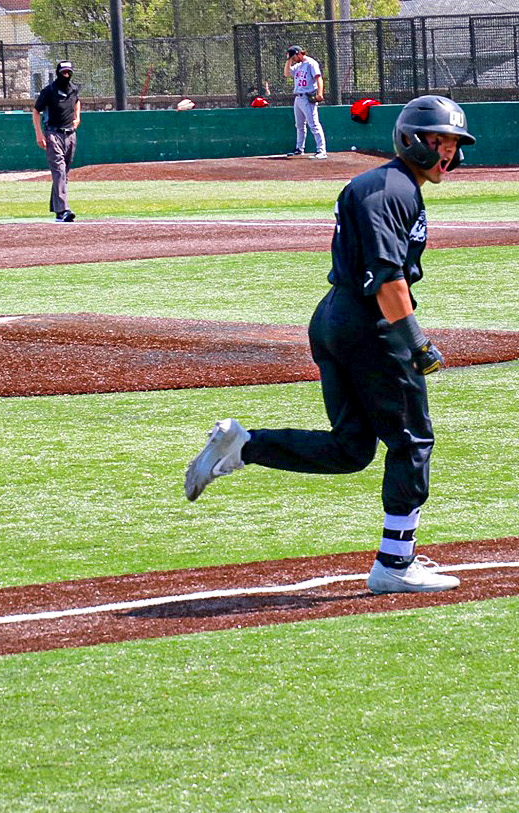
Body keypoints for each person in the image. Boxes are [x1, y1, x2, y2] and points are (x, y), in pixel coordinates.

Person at [184, 95, 477, 595]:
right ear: (412, 138)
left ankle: (246, 444)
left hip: (336, 318)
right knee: (412, 441)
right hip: (371, 325)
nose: (447, 152)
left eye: (452, 143)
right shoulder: (393, 189)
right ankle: (394, 564)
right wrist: (417, 341)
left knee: (350, 449)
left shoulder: (389, 185)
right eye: (439, 141)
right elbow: (387, 278)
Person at [32, 61, 82, 222]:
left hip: (70, 134)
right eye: (63, 72)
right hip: (53, 133)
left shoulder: (73, 89)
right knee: (59, 171)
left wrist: (77, 118)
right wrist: (39, 134)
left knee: (64, 173)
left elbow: (77, 101)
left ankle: (57, 208)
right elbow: (36, 111)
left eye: (68, 73)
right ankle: (63, 210)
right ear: (58, 72)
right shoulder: (49, 91)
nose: (66, 75)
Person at [283, 45, 328, 158]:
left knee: (313, 124)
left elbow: (319, 78)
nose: (293, 60)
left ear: (299, 54)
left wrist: (320, 93)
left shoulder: (311, 63)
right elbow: (287, 74)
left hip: (307, 97)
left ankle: (321, 151)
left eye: (293, 57)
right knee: (299, 125)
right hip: (298, 98)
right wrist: (288, 60)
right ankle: (299, 149)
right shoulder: (298, 65)